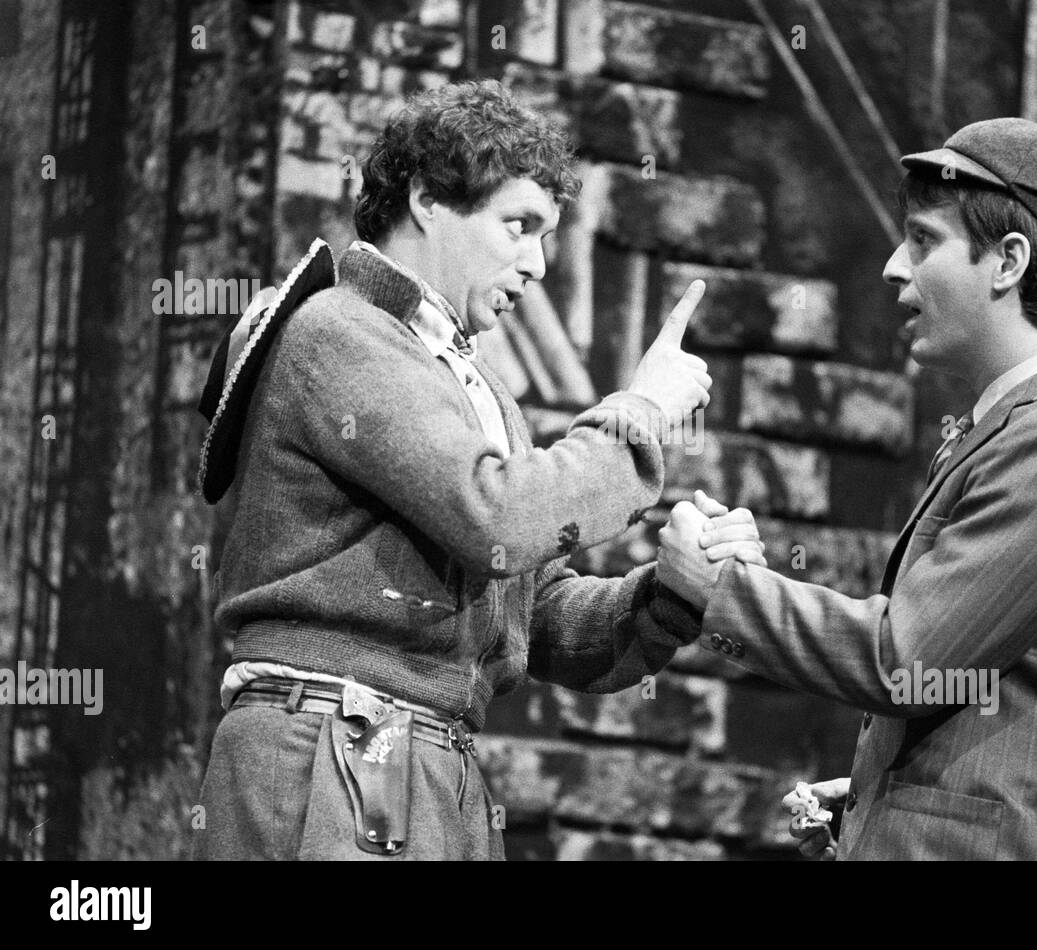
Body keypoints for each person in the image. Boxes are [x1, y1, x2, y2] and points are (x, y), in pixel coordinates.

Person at [191, 80, 764, 860]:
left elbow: (541, 616)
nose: (535, 264)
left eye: (546, 236)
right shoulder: (341, 334)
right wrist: (636, 414)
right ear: (427, 201)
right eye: (517, 226)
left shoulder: (476, 383)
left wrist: (669, 595)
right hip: (333, 753)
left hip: (425, 768)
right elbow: (495, 513)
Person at [656, 118, 1037, 860]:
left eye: (923, 241)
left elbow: (909, 662)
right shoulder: (1018, 426)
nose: (895, 266)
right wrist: (873, 809)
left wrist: (721, 589)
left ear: (1008, 262)